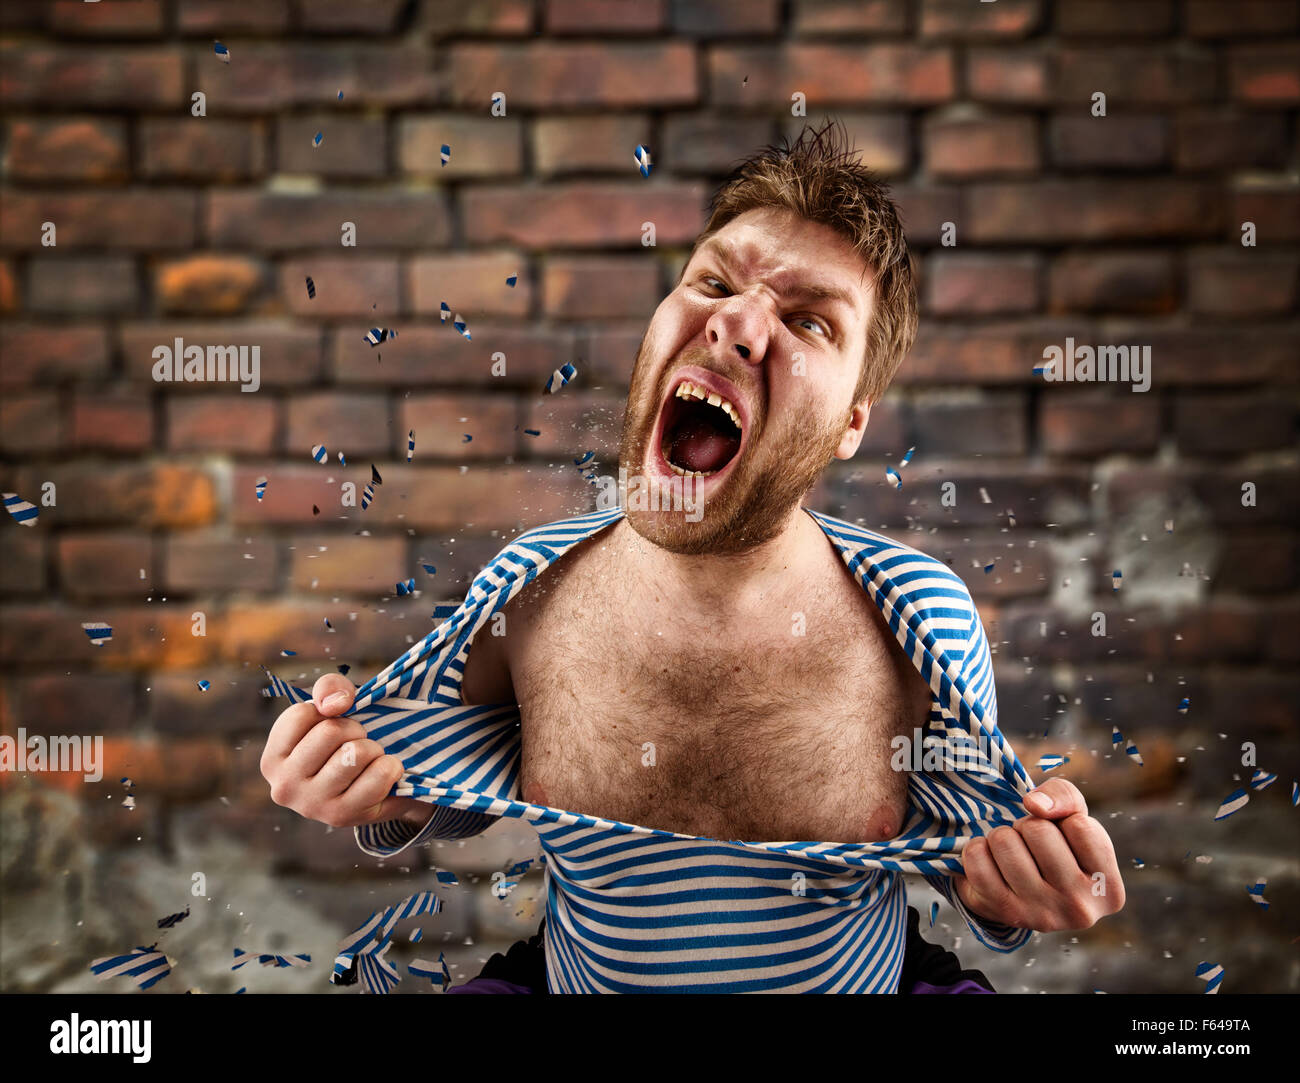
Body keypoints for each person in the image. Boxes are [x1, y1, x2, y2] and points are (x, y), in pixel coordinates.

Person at [261, 118, 1124, 992]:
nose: (737, 323)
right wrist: (355, 782)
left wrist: (1014, 891)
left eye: (811, 322)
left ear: (851, 424)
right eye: (713, 280)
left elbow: (972, 859)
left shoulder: (917, 617)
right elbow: (426, 775)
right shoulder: (530, 586)